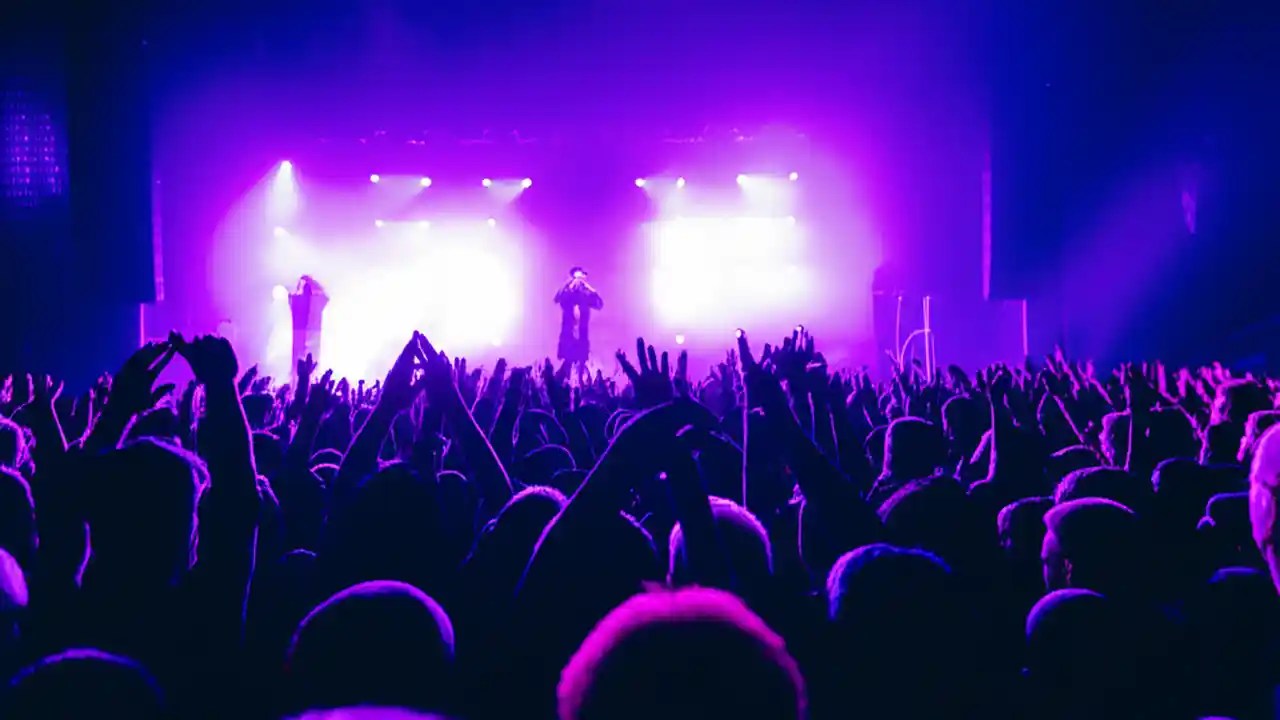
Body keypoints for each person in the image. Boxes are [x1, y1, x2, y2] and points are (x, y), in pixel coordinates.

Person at [553, 267, 603, 382]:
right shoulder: (567, 294)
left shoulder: (585, 296)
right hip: (568, 335)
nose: (578, 281)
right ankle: (564, 385)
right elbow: (557, 298)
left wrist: (589, 287)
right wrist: (568, 283)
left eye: (581, 278)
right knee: (568, 363)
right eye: (576, 278)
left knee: (581, 363)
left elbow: (599, 304)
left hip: (581, 336)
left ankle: (581, 386)